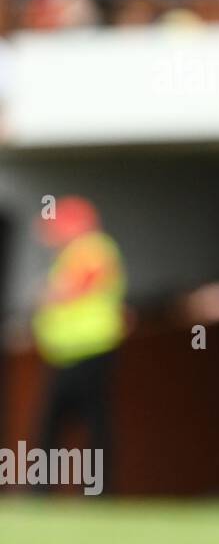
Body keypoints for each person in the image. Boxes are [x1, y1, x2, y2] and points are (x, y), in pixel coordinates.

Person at [32, 196, 126, 494]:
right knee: (55, 423)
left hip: (91, 350)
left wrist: (48, 294)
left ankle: (96, 490)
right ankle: (42, 488)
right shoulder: (73, 253)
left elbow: (70, 290)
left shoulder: (93, 248)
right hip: (67, 354)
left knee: (91, 423)